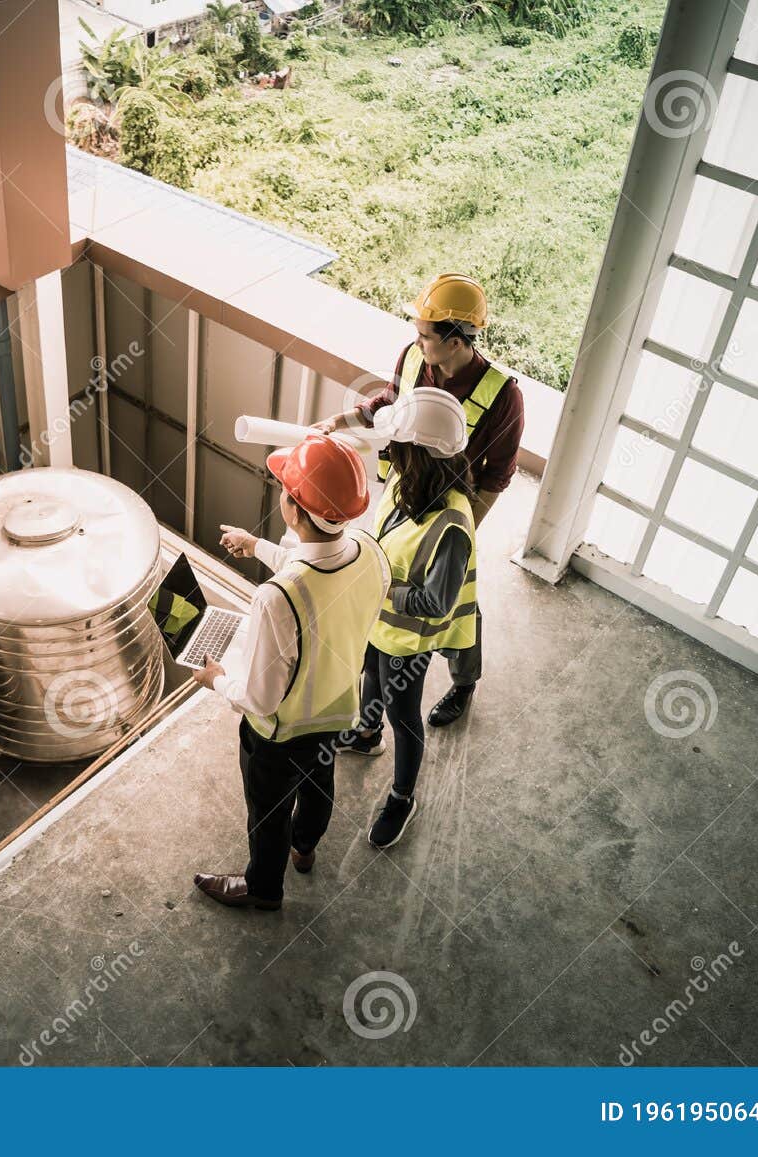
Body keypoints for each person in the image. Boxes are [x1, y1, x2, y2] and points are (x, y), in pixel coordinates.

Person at [190, 434, 391, 911]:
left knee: (268, 810)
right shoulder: (370, 550)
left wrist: (217, 678)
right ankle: (304, 848)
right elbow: (320, 567)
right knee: (319, 784)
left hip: (278, 735)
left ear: (295, 510)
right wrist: (255, 545)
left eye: (285, 488)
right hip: (336, 711)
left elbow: (260, 700)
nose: (281, 492)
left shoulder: (276, 598)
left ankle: (263, 889)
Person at [317, 273, 524, 728]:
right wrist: (338, 421)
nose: (417, 341)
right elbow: (388, 402)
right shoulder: (415, 357)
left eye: (426, 335)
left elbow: (498, 475)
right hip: (402, 496)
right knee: (384, 577)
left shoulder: (502, 397)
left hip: (448, 508)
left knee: (459, 604)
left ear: (456, 341)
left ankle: (464, 682)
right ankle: (374, 673)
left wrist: (462, 530)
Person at [337, 389, 478, 849]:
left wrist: (380, 587)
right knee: (369, 677)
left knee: (403, 714)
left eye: (396, 444)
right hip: (378, 622)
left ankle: (402, 797)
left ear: (418, 453)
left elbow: (436, 602)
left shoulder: (452, 526)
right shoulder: (407, 480)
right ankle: (366, 734)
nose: (389, 451)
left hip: (408, 641)